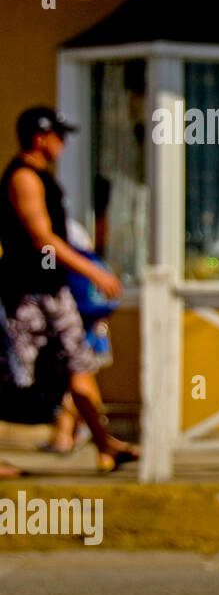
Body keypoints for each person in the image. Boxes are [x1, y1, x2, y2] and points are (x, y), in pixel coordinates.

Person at [0, 106, 138, 473]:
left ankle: (106, 444)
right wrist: (92, 271)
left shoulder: (45, 179)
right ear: (40, 137)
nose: (63, 143)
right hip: (26, 294)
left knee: (80, 365)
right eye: (58, 135)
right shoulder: (23, 178)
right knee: (10, 374)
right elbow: (42, 238)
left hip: (54, 290)